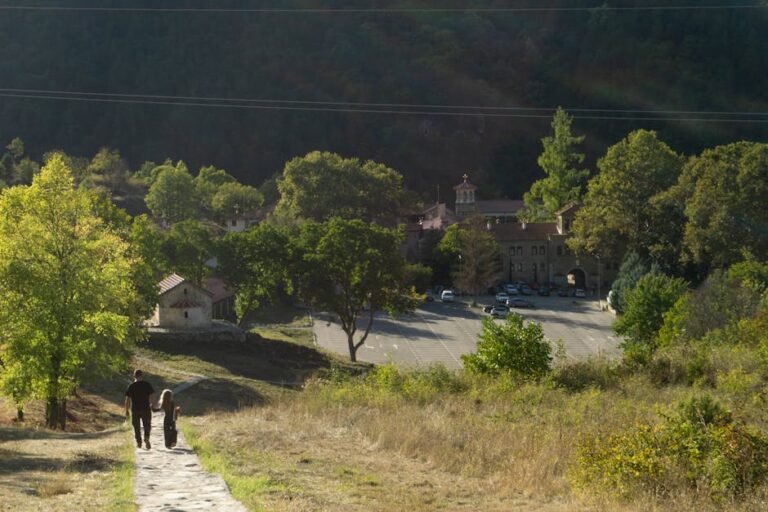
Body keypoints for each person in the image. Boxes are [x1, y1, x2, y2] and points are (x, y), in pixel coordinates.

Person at [124, 369, 156, 450]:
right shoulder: (147, 385)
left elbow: (127, 399)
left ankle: (139, 442)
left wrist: (127, 410)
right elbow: (152, 395)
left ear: (134, 376)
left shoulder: (131, 386)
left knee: (136, 426)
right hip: (146, 408)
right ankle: (146, 437)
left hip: (135, 409)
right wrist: (152, 405)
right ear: (142, 375)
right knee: (147, 425)